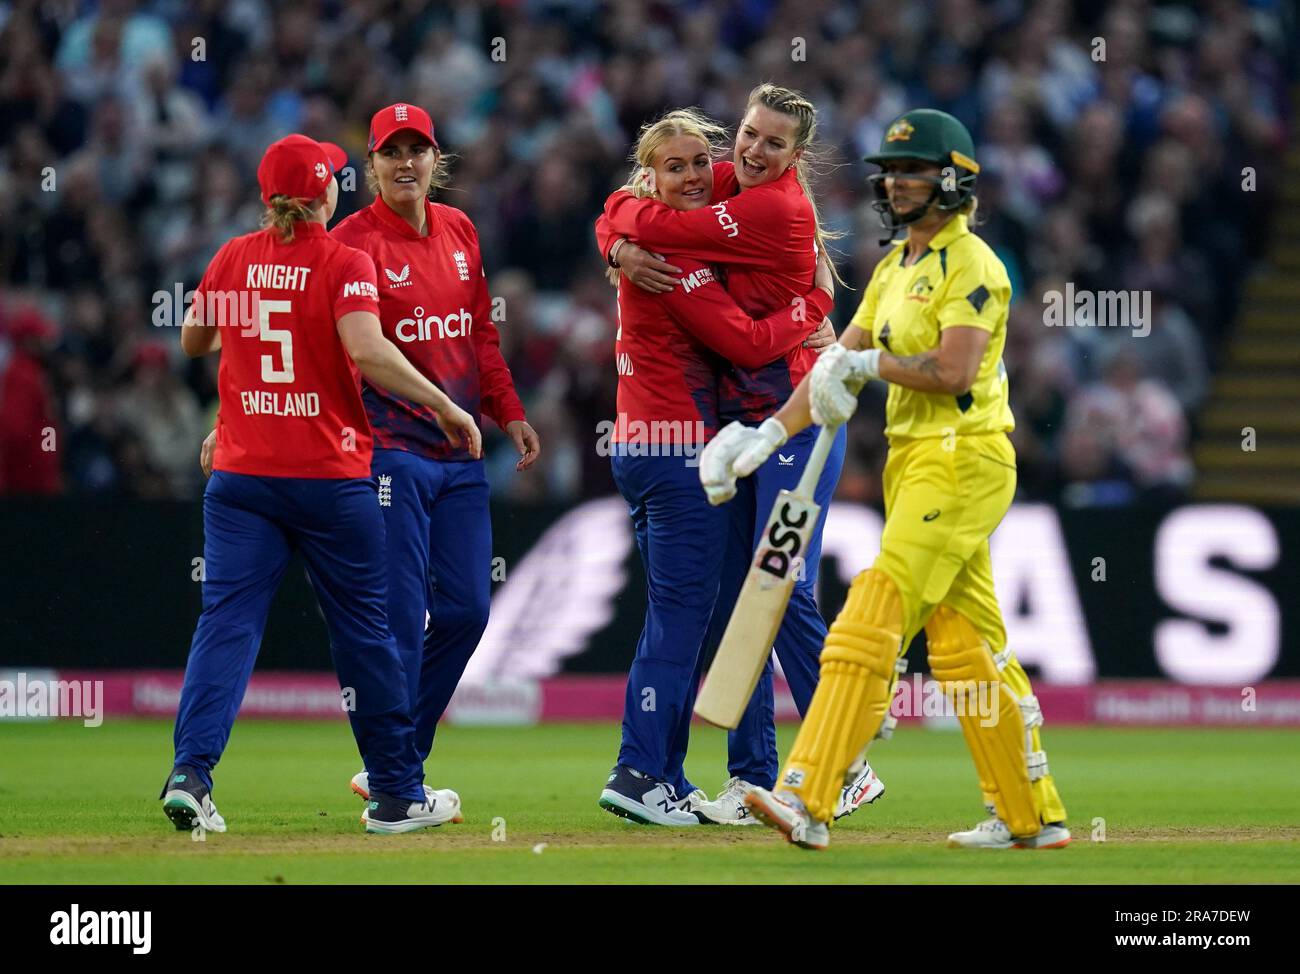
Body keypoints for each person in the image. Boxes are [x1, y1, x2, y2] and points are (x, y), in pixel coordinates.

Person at [701, 109, 1071, 851]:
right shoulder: (895, 268)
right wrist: (766, 434)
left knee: (871, 612)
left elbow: (955, 370)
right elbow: (836, 363)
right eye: (893, 171)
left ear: (955, 179)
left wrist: (869, 367)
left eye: (915, 170)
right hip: (912, 463)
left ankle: (809, 793)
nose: (899, 183)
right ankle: (1031, 815)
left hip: (965, 457)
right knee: (966, 645)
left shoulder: (976, 267)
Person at [165, 134, 481, 835]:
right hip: (331, 480)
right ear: (328, 194)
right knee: (365, 637)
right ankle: (396, 796)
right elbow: (368, 351)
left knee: (227, 626)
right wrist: (446, 405)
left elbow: (193, 340)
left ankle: (191, 774)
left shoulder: (232, 257)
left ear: (264, 197)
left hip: (243, 478)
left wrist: (249, 337)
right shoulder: (344, 260)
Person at [596, 84, 882, 824]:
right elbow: (629, 201)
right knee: (740, 601)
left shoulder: (772, 206)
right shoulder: (721, 181)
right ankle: (752, 773)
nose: (752, 152)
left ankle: (844, 752)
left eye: (773, 143)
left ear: (798, 156)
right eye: (749, 135)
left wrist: (820, 308)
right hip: (746, 427)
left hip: (797, 420)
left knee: (777, 585)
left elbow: (660, 223)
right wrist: (619, 240)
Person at [328, 103, 540, 802]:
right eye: (392, 153)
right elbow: (336, 349)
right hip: (389, 451)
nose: (407, 163)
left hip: (460, 456)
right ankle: (399, 781)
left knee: (469, 612)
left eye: (418, 151)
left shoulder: (461, 230)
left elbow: (480, 336)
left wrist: (509, 412)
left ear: (435, 161)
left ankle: (398, 756)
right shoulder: (351, 244)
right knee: (395, 619)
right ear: (372, 166)